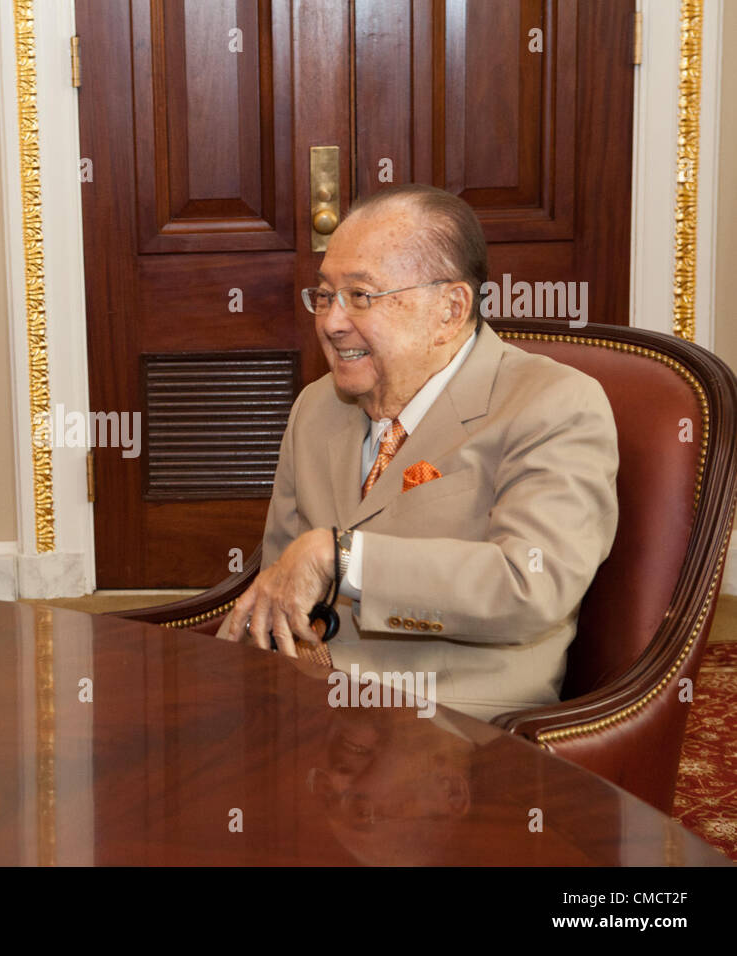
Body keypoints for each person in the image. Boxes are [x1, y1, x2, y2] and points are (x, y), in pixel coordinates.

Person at [219, 184, 619, 721]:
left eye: (360, 296)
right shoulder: (317, 406)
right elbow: (281, 578)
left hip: (455, 730)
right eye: (324, 295)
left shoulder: (554, 404)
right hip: (309, 709)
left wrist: (343, 558)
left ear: (450, 310)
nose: (332, 322)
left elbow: (531, 586)